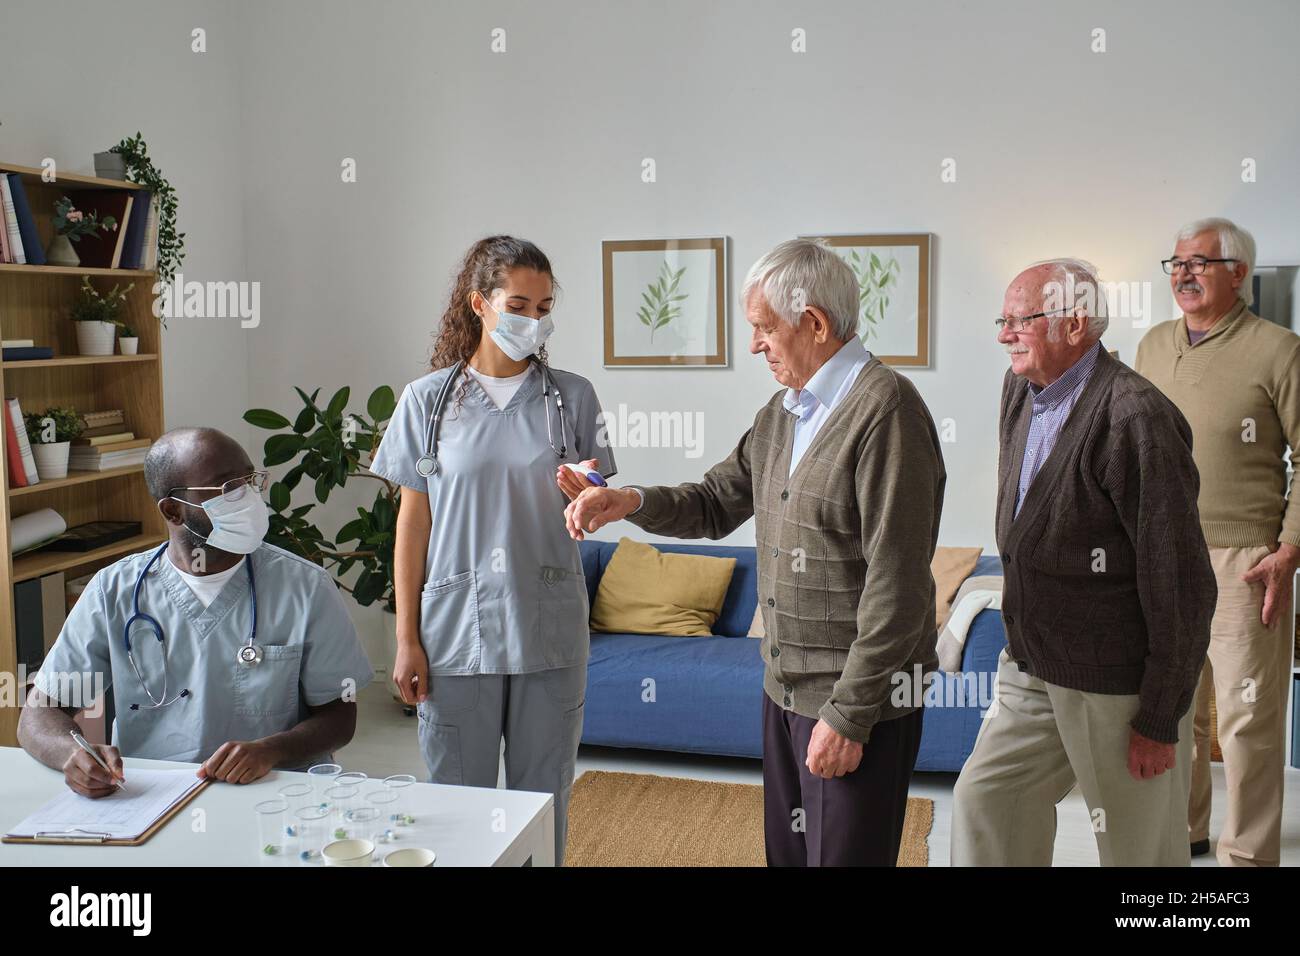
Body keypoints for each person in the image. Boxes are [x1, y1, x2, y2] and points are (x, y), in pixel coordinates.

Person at [559, 238, 945, 866]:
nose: (756, 344)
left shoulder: (887, 411)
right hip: (786, 692)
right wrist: (630, 501)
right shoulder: (784, 413)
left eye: (764, 328)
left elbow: (897, 585)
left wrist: (849, 716)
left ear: (814, 323)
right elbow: (715, 501)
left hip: (856, 701)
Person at [950, 259, 1215, 866]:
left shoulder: (1136, 417)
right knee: (986, 799)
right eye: (1003, 319)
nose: (1003, 334)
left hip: (1115, 682)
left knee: (1136, 850)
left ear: (1075, 325)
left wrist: (1158, 713)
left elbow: (1180, 580)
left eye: (1019, 320)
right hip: (1032, 663)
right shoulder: (1019, 389)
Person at [370, 235, 615, 864]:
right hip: (456, 633)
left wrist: (586, 497)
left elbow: (594, 502)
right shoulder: (426, 402)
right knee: (457, 805)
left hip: (548, 629)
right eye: (519, 304)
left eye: (543, 307)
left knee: (544, 799)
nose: (532, 320)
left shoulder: (574, 397)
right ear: (480, 304)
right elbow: (412, 525)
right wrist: (405, 637)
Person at [18, 427, 373, 797]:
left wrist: (273, 749)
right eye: (226, 488)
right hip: (153, 797)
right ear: (173, 510)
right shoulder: (114, 591)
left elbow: (339, 717)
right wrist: (73, 754)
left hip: (277, 791)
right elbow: (39, 713)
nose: (248, 497)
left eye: (249, 480)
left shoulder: (305, 586)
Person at [1135, 217, 1300, 867]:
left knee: (1246, 722)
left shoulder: (1279, 348)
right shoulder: (1150, 346)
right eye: (1175, 263)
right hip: (1162, 553)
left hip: (1246, 560)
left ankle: (1248, 856)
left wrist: (1288, 549)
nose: (1182, 273)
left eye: (1199, 262)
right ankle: (1184, 834)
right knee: (1172, 713)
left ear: (1239, 273)